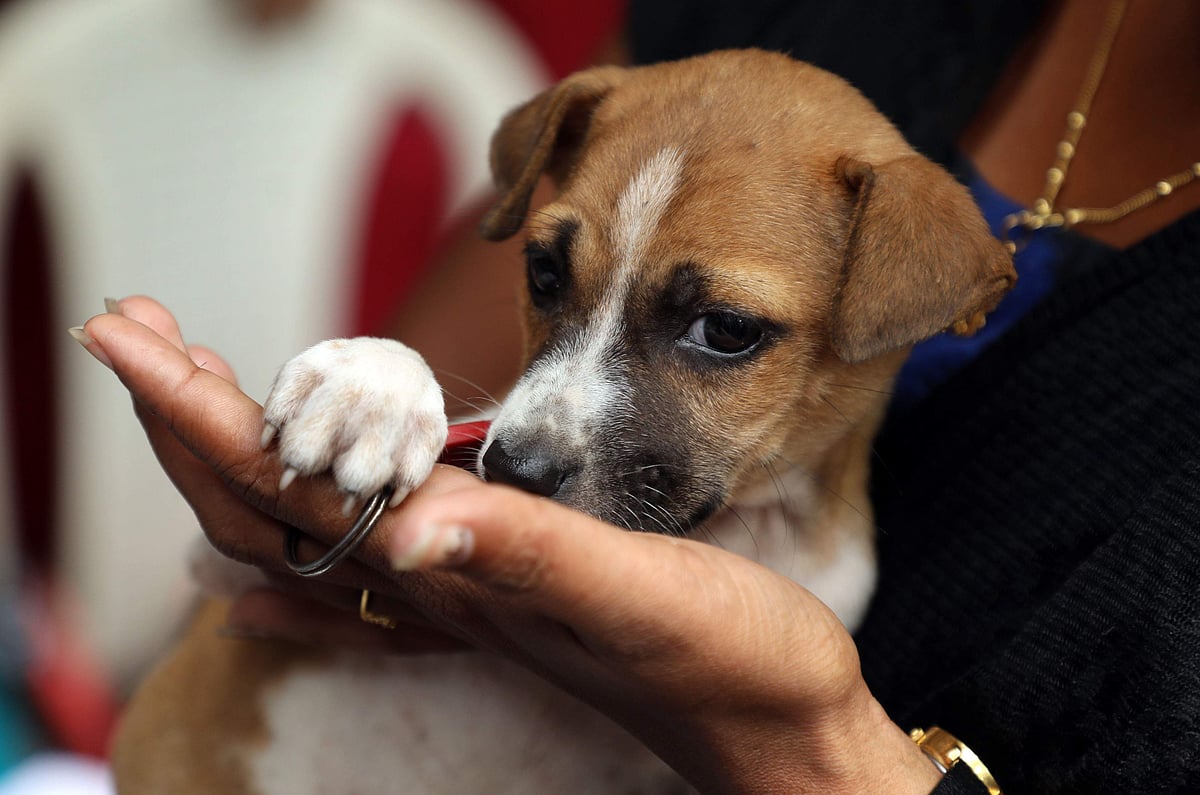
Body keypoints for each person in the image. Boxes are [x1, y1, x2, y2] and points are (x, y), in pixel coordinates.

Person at [74, 0, 1200, 792]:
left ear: (884, 313)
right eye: (554, 278)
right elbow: (257, 555)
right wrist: (364, 412)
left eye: (721, 333)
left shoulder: (820, 596)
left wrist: (792, 745)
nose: (546, 423)